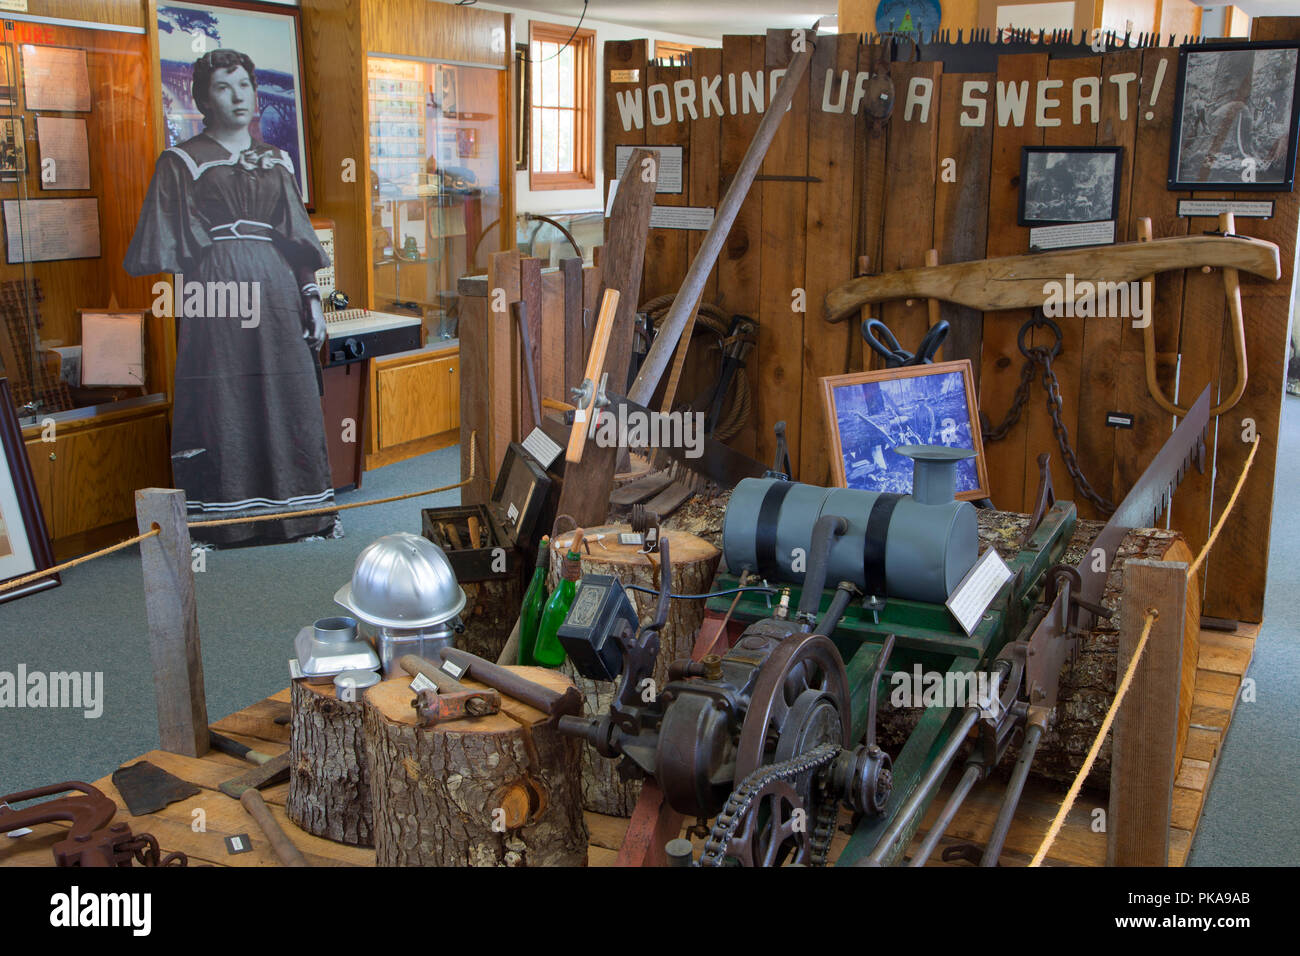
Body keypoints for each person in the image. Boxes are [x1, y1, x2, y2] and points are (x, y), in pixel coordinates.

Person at [124, 49, 336, 547]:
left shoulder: (277, 159)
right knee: (222, 395)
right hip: (215, 290)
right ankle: (223, 522)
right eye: (224, 86)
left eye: (244, 84)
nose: (238, 96)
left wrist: (311, 299)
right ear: (202, 97)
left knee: (289, 391)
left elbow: (295, 238)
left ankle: (299, 515)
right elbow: (165, 245)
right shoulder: (182, 160)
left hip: (279, 289)